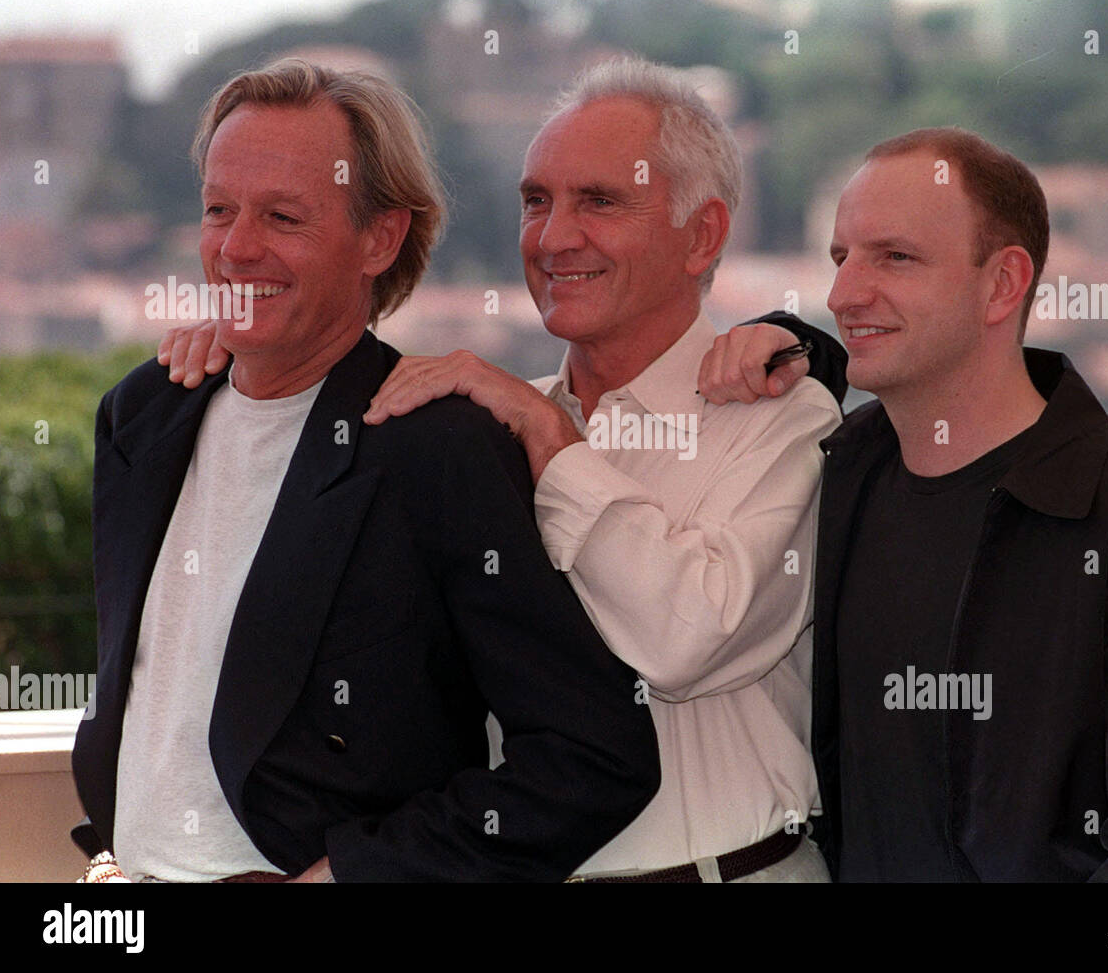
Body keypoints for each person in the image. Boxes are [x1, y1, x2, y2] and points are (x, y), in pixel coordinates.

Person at [163, 57, 849, 882]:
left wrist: (547, 436)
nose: (554, 237)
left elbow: (688, 639)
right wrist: (242, 348)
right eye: (536, 202)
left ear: (701, 233)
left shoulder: (783, 413)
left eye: (599, 200)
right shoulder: (478, 427)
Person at [71, 58, 661, 883]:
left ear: (380, 237)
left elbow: (593, 756)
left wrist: (350, 876)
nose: (238, 248)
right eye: (218, 210)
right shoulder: (141, 414)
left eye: (282, 216)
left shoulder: (440, 446)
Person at [700, 127, 1108, 881]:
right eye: (841, 257)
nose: (843, 292)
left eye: (894, 256)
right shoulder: (836, 474)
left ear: (1002, 283)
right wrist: (790, 341)